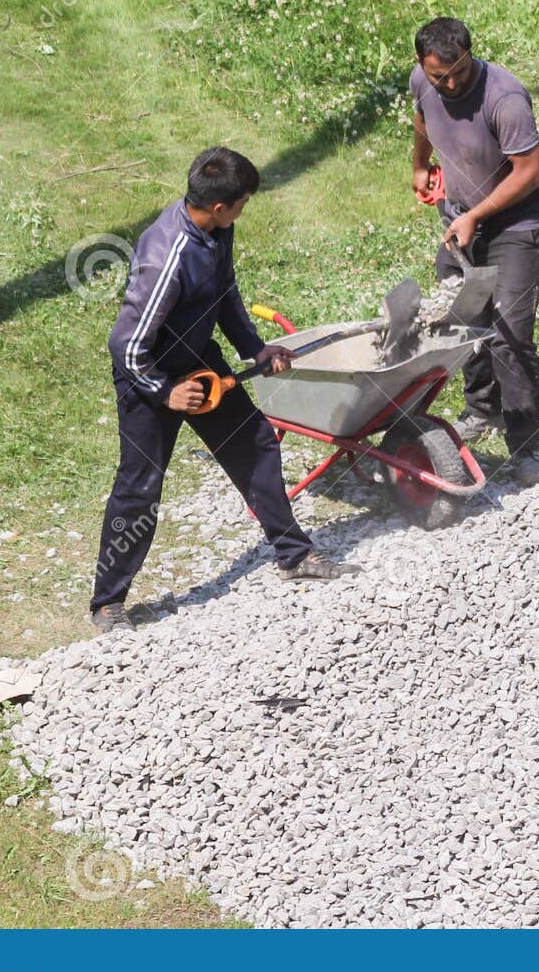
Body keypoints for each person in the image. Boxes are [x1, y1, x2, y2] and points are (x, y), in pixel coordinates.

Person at [89, 147, 352, 635]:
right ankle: (108, 603)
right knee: (139, 489)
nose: (243, 212)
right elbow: (124, 345)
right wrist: (165, 392)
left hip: (198, 361)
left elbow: (225, 292)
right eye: (242, 204)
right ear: (217, 206)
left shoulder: (216, 232)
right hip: (149, 378)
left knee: (254, 445)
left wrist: (254, 348)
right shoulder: (165, 256)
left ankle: (294, 555)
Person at [409, 16, 539, 488]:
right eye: (440, 76)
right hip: (461, 218)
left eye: (459, 72)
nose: (450, 84)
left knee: (509, 333)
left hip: (518, 224)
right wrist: (420, 163)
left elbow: (529, 172)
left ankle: (525, 448)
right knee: (461, 318)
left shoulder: (504, 97)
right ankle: (481, 409)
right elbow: (421, 116)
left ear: (472, 55)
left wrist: (477, 216)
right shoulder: (423, 82)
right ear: (422, 66)